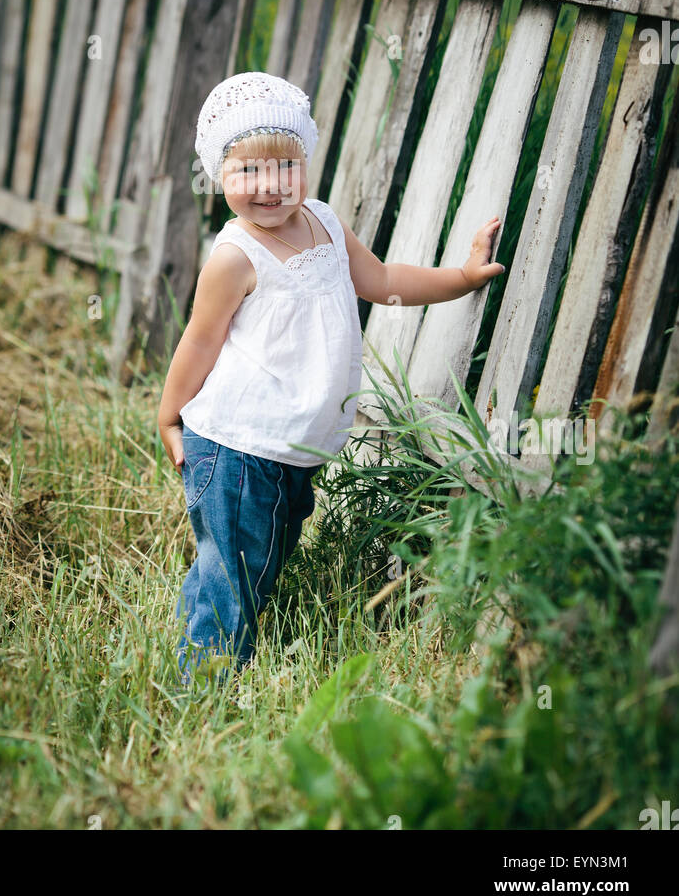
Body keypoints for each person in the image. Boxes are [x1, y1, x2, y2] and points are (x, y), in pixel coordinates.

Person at [157, 71, 504, 685]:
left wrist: (462, 277)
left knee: (253, 564)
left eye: (285, 165)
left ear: (305, 160)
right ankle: (204, 690)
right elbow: (199, 340)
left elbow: (384, 282)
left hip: (291, 448)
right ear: (218, 176)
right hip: (237, 445)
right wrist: (169, 415)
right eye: (247, 172)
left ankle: (197, 645)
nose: (269, 186)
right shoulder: (236, 255)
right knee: (235, 575)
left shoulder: (320, 220)